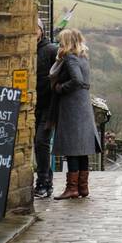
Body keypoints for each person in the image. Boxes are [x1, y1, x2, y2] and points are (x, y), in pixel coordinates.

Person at [50, 28, 102, 200]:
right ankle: (82, 187)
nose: (59, 44)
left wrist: (60, 88)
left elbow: (77, 80)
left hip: (72, 107)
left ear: (67, 42)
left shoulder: (71, 58)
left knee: (72, 148)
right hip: (83, 106)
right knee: (82, 149)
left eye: (61, 41)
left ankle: (72, 189)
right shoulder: (83, 57)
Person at [33, 18, 59, 199]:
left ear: (42, 31)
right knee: (37, 144)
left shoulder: (51, 50)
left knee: (41, 142)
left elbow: (63, 74)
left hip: (48, 107)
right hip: (31, 106)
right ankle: (46, 182)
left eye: (36, 29)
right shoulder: (25, 50)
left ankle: (42, 182)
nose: (33, 32)